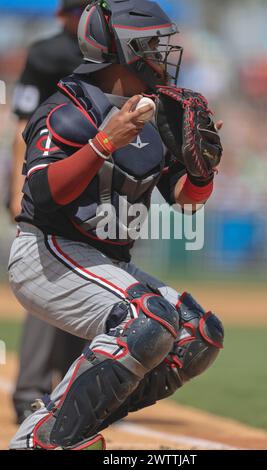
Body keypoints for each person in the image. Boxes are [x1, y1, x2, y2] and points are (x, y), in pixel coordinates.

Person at [8, 0, 224, 450]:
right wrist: (104, 143)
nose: (163, 53)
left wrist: (201, 174)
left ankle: (72, 424)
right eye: (151, 44)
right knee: (146, 319)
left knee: (197, 335)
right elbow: (45, 193)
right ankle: (40, 439)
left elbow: (185, 204)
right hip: (47, 253)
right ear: (118, 49)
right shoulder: (67, 109)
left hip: (104, 260)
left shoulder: (155, 112)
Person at [10, 0, 90, 424]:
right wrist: (15, 188)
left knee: (89, 285)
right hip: (47, 177)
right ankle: (30, 391)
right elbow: (21, 123)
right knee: (48, 281)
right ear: (65, 15)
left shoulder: (107, 57)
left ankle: (68, 387)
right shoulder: (48, 54)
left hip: (91, 183)